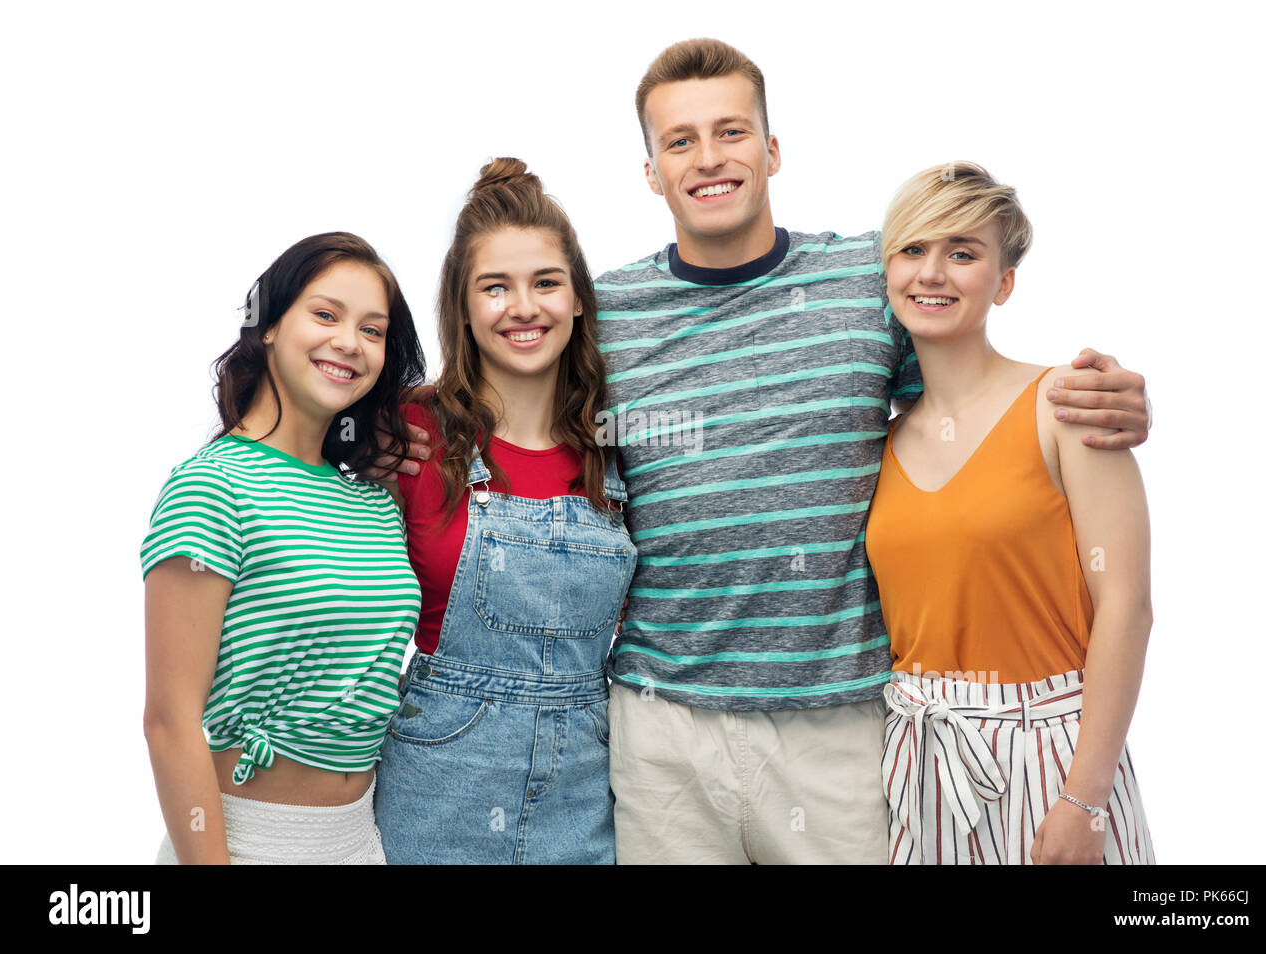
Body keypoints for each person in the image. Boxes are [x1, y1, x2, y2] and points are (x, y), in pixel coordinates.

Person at [387, 38, 1152, 864]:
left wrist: (1091, 400)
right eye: (679, 141)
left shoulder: (867, 281)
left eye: (731, 132)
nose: (708, 159)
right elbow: (514, 387)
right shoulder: (605, 313)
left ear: (773, 148)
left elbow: (962, 367)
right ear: (650, 171)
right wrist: (396, 432)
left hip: (838, 726)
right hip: (660, 730)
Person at [867, 161, 1155, 865]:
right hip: (920, 761)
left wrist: (1084, 800)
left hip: (1057, 755)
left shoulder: (1067, 404)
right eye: (913, 249)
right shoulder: (877, 444)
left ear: (1003, 282)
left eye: (962, 253)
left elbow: (1127, 606)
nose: (932, 272)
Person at [372, 158, 635, 865]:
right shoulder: (405, 431)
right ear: (462, 305)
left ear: (579, 298)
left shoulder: (615, 446)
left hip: (584, 793)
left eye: (546, 283)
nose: (524, 308)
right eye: (496, 287)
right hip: (435, 790)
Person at [141, 231, 427, 864]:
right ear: (268, 326)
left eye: (373, 330)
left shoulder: (373, 503)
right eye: (325, 314)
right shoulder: (212, 486)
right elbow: (169, 724)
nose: (349, 342)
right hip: (244, 843)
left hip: (361, 841)